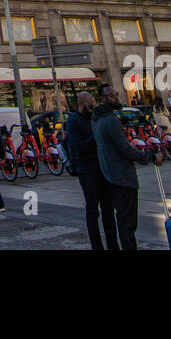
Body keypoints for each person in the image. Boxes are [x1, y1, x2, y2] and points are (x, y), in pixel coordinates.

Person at [93, 83, 161, 249]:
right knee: (128, 224)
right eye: (112, 95)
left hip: (109, 175)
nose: (117, 97)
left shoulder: (97, 120)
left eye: (116, 94)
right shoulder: (109, 121)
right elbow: (126, 149)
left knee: (123, 221)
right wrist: (149, 156)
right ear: (103, 99)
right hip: (122, 177)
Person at [67, 91, 118, 249]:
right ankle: (97, 246)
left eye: (93, 106)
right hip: (87, 170)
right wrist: (94, 137)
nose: (92, 109)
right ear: (82, 105)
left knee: (108, 209)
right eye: (90, 106)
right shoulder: (74, 121)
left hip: (102, 167)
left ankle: (113, 245)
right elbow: (77, 146)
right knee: (92, 210)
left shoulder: (94, 118)